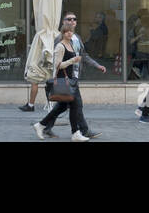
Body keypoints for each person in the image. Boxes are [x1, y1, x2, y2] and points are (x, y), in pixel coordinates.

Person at [33, 12, 105, 141]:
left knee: (64, 105)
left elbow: (83, 55)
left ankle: (43, 125)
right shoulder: (59, 41)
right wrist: (71, 62)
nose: (72, 21)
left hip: (74, 76)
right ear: (63, 23)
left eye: (74, 19)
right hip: (66, 77)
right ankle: (81, 131)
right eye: (69, 19)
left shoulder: (76, 38)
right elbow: (58, 62)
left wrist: (97, 65)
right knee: (76, 105)